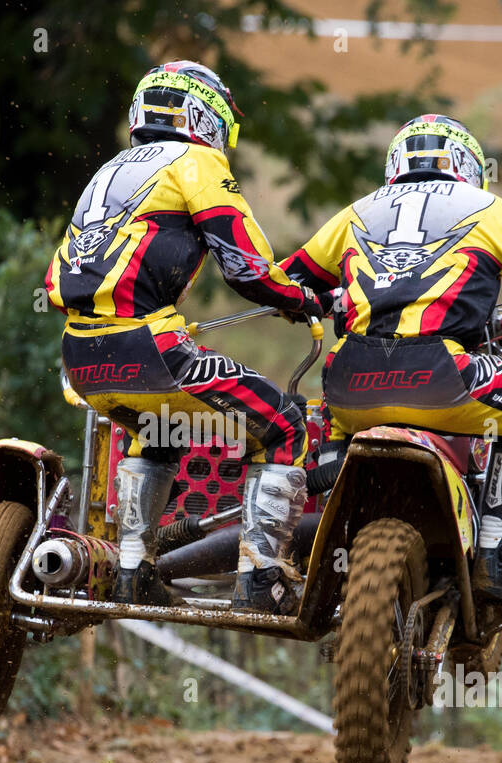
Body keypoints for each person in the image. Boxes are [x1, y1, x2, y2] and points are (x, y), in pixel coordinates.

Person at [281, 113, 502, 602]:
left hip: (348, 385)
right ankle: (495, 551)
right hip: (444, 378)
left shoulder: (355, 212)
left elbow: (283, 283)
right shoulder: (488, 208)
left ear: (395, 165)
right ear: (468, 165)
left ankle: (325, 543)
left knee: (329, 423)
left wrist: (327, 301)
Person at [46, 60, 332, 614]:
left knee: (157, 432)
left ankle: (132, 572)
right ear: (206, 116)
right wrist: (303, 299)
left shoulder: (108, 171)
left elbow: (65, 275)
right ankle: (261, 578)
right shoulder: (196, 160)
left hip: (81, 358)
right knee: (283, 426)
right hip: (153, 351)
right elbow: (247, 268)